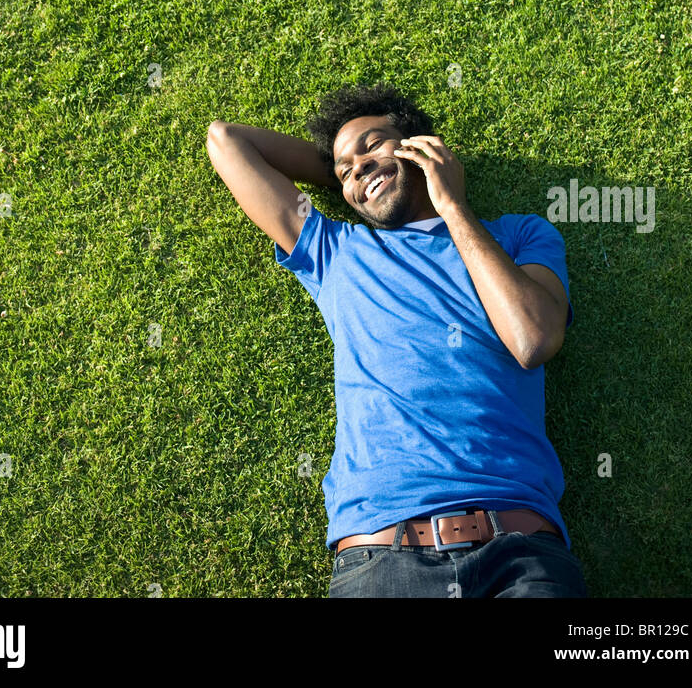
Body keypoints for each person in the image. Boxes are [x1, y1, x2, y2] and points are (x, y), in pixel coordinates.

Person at [206, 82, 588, 598]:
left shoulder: (520, 236)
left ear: (423, 145)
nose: (356, 168)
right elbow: (226, 140)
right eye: (343, 172)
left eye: (372, 143)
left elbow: (534, 339)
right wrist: (359, 169)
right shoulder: (334, 252)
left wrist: (451, 206)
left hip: (520, 554)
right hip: (381, 560)